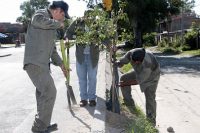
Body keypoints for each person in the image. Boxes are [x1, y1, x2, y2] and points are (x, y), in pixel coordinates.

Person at [23, 1, 70, 133]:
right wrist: (57, 24)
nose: (63, 19)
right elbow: (36, 21)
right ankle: (39, 128)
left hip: (42, 65)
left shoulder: (50, 27)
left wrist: (61, 64)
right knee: (50, 92)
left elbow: (53, 50)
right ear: (58, 11)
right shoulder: (41, 13)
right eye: (63, 16)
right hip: (34, 63)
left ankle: (43, 124)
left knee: (42, 95)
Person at [116, 48, 160, 126]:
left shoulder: (148, 63)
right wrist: (119, 63)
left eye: (137, 62)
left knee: (150, 98)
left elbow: (138, 81)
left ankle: (151, 121)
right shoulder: (131, 53)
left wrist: (124, 84)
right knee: (124, 78)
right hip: (139, 71)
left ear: (142, 59)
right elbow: (124, 60)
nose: (135, 63)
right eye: (134, 61)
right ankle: (129, 103)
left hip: (152, 77)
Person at [65, 10, 99, 107]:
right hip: (80, 56)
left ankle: (92, 98)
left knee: (92, 78)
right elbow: (69, 32)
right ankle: (83, 99)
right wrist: (67, 39)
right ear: (84, 16)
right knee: (82, 79)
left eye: (92, 17)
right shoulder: (77, 22)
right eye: (87, 17)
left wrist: (110, 45)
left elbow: (105, 37)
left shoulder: (97, 25)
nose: (89, 19)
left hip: (93, 56)